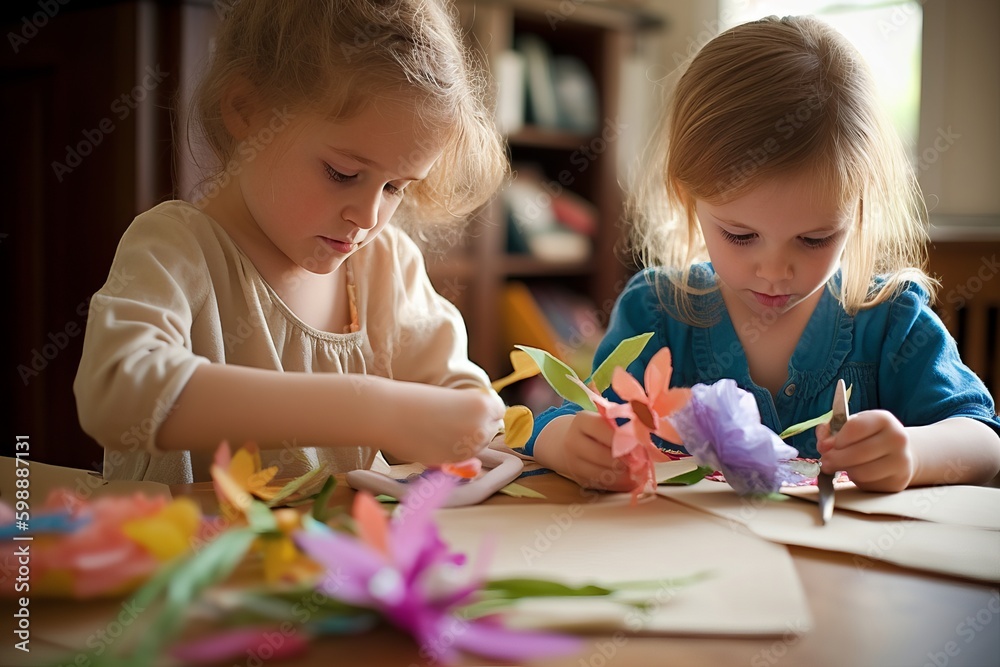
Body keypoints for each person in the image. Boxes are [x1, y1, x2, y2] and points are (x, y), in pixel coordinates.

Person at [526, 15, 1000, 493]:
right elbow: (570, 418)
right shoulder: (656, 311)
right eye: (740, 235)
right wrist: (567, 442)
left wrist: (913, 453)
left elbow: (984, 440)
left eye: (814, 240)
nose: (774, 272)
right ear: (688, 197)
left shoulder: (891, 322)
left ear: (860, 209)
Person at [74, 0, 507, 484]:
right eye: (342, 173)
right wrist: (370, 409)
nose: (368, 218)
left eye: (394, 188)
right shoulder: (178, 247)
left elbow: (463, 400)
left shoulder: (386, 264)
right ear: (247, 112)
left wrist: (543, 437)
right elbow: (114, 392)